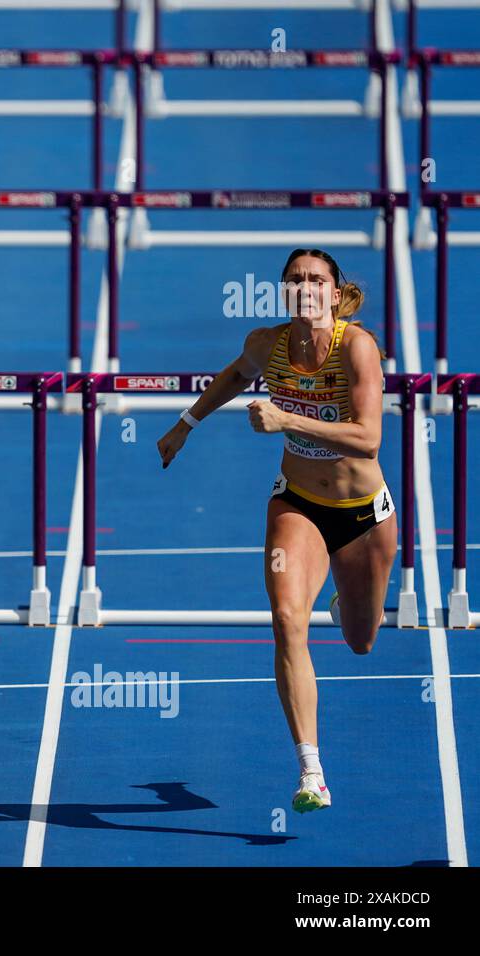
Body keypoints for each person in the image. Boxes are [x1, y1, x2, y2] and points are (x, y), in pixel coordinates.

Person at [158, 249, 396, 813]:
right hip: (298, 504)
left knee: (361, 640)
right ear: (284, 293)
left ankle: (348, 598)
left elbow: (368, 438)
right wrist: (184, 426)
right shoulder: (268, 344)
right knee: (288, 620)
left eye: (317, 279)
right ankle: (311, 771)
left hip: (363, 512)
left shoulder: (357, 348)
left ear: (334, 295)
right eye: (295, 280)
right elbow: (235, 375)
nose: (306, 287)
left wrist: (286, 418)